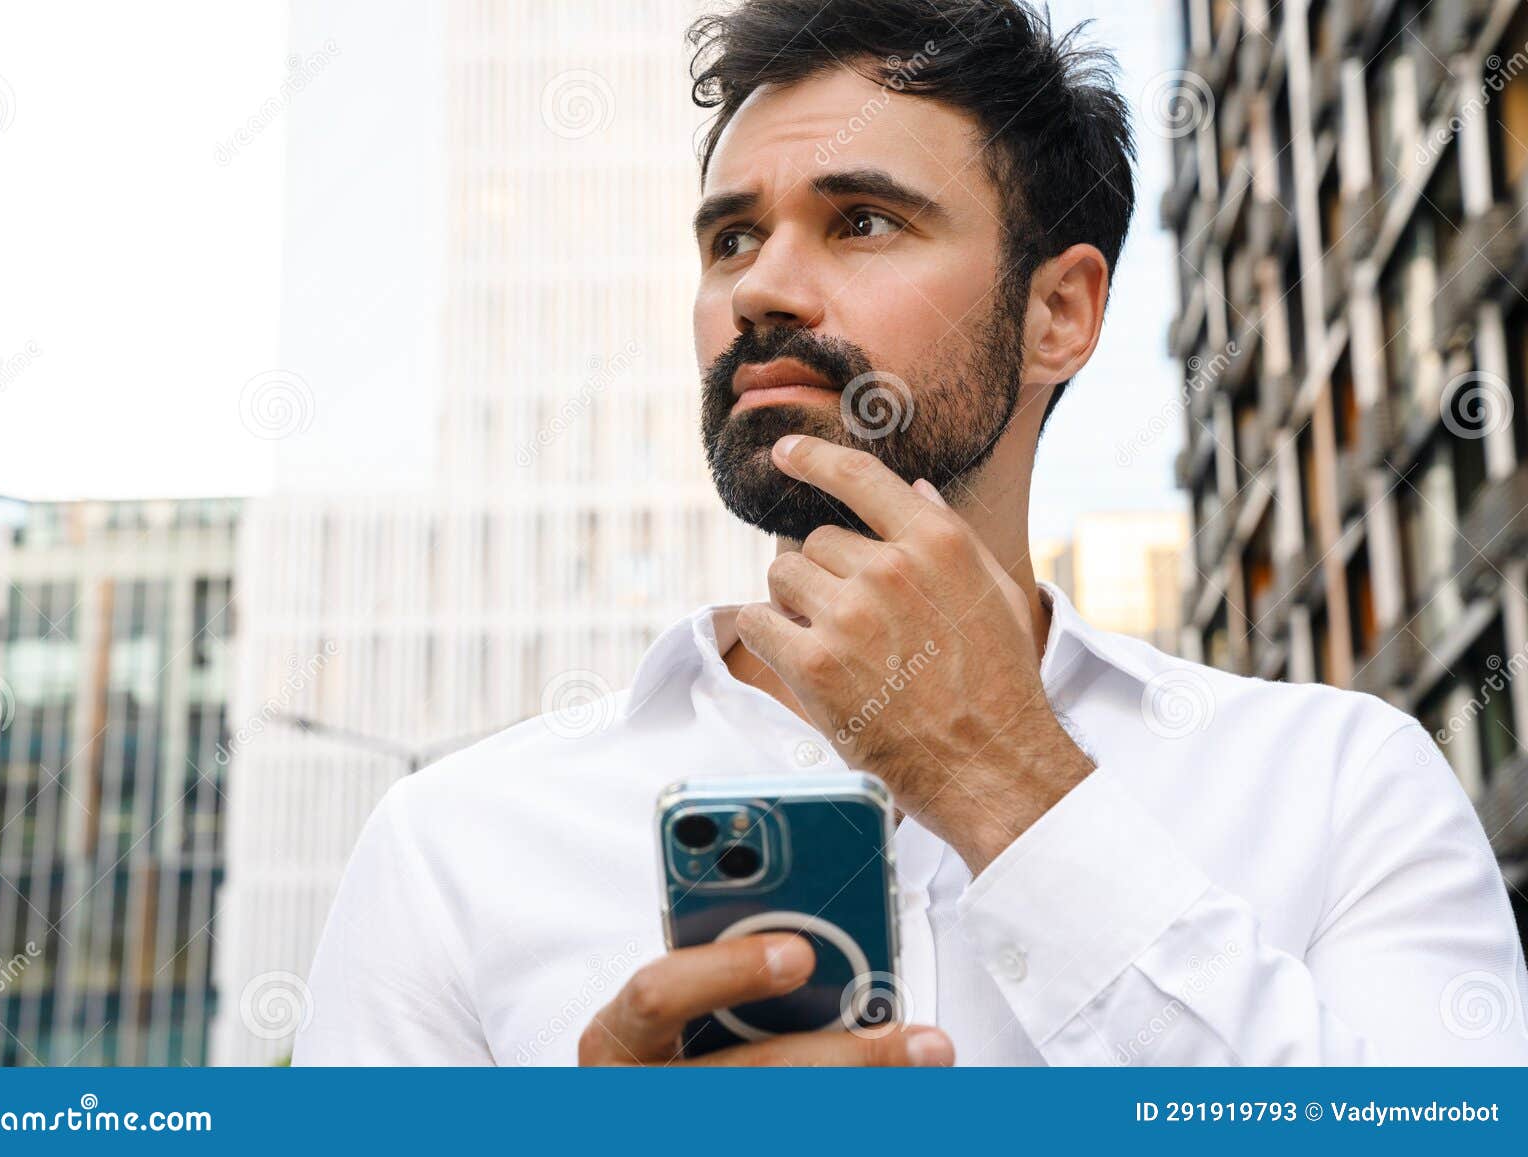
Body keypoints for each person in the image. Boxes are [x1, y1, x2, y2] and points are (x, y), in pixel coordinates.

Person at [292, 0, 1528, 1066]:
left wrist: (1007, 784)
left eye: (862, 220)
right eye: (731, 238)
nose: (760, 288)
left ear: (1058, 311)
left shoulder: (1339, 787)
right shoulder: (453, 843)